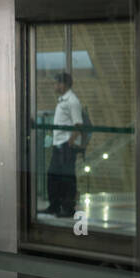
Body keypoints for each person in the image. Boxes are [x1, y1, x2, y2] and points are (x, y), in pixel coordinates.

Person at [45, 71, 84, 218]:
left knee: (67, 178)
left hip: (66, 146)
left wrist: (70, 142)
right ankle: (54, 205)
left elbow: (78, 124)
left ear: (63, 84)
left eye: (56, 83)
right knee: (53, 176)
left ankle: (68, 208)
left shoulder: (72, 101)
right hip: (58, 144)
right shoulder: (62, 100)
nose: (54, 85)